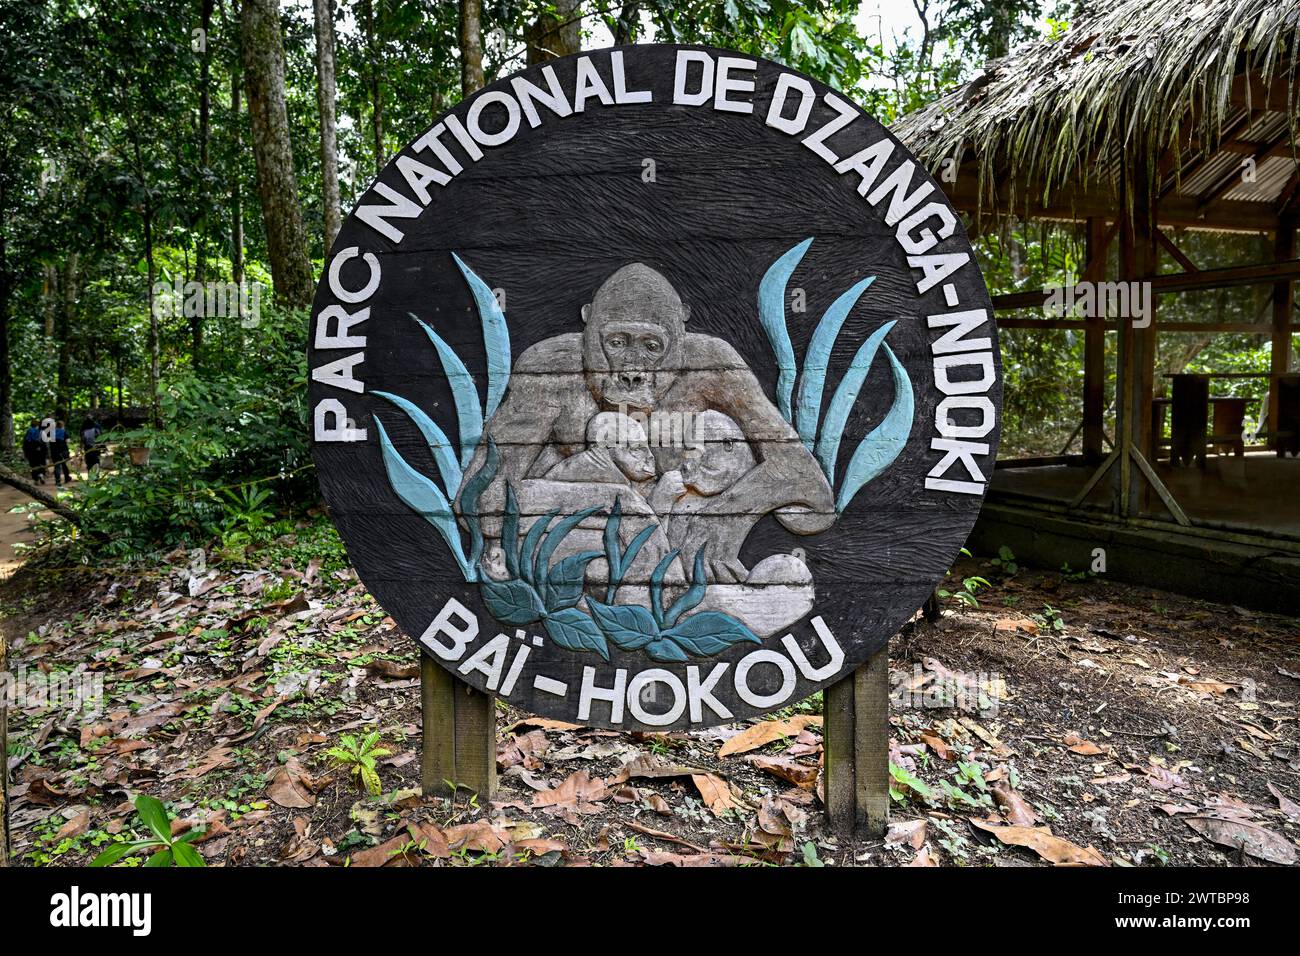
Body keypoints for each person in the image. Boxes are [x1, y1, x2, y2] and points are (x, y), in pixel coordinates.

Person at [51, 420, 73, 486]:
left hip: (55, 452)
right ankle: (66, 478)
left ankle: (58, 480)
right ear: (62, 425)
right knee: (65, 465)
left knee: (57, 466)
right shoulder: (64, 432)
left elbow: (50, 443)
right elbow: (68, 441)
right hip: (64, 451)